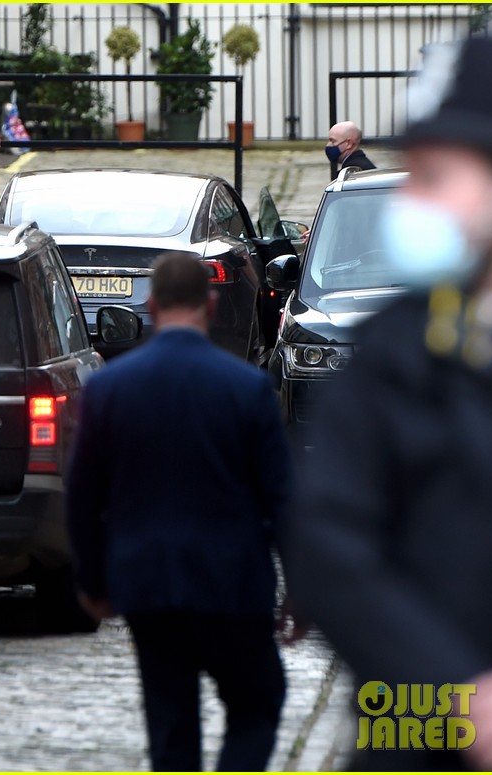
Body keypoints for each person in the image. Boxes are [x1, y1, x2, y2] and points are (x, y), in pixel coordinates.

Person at [285, 28, 492, 772]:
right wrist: (463, 695)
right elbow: (330, 546)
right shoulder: (397, 347)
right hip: (419, 738)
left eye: (436, 175)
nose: (412, 202)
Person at [66, 254, 292, 771]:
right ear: (211, 306)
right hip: (232, 583)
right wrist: (299, 586)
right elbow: (281, 496)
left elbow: (82, 493)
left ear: (150, 304)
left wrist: (93, 581)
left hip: (147, 583)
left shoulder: (107, 388)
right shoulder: (247, 387)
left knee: (171, 726)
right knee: (257, 704)